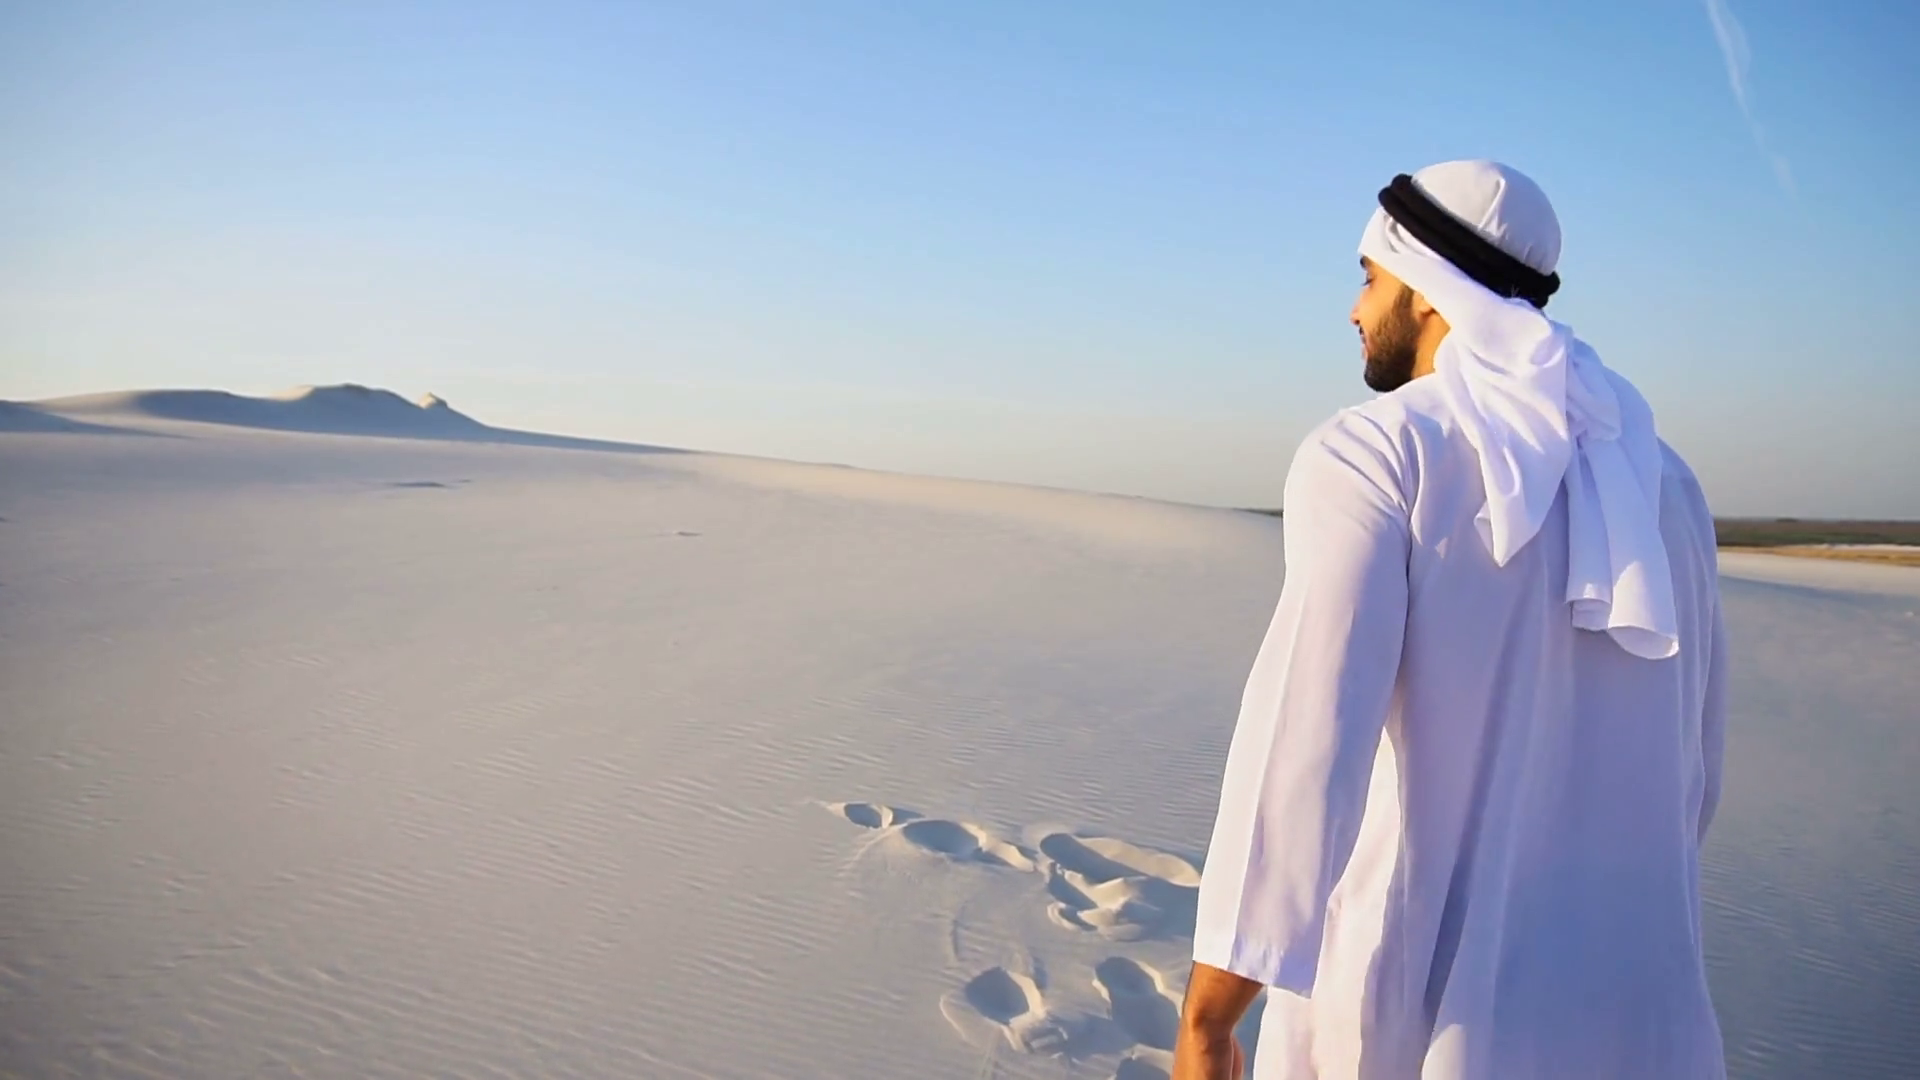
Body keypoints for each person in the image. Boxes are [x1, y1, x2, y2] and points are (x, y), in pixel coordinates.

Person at [1170, 160, 1730, 1080]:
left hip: (1415, 1016)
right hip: (1642, 1017)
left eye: (1368, 276)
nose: (1355, 308)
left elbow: (1304, 752)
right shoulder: (1664, 480)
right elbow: (1693, 776)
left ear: (1429, 291)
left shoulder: (1374, 454)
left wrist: (1209, 1017)